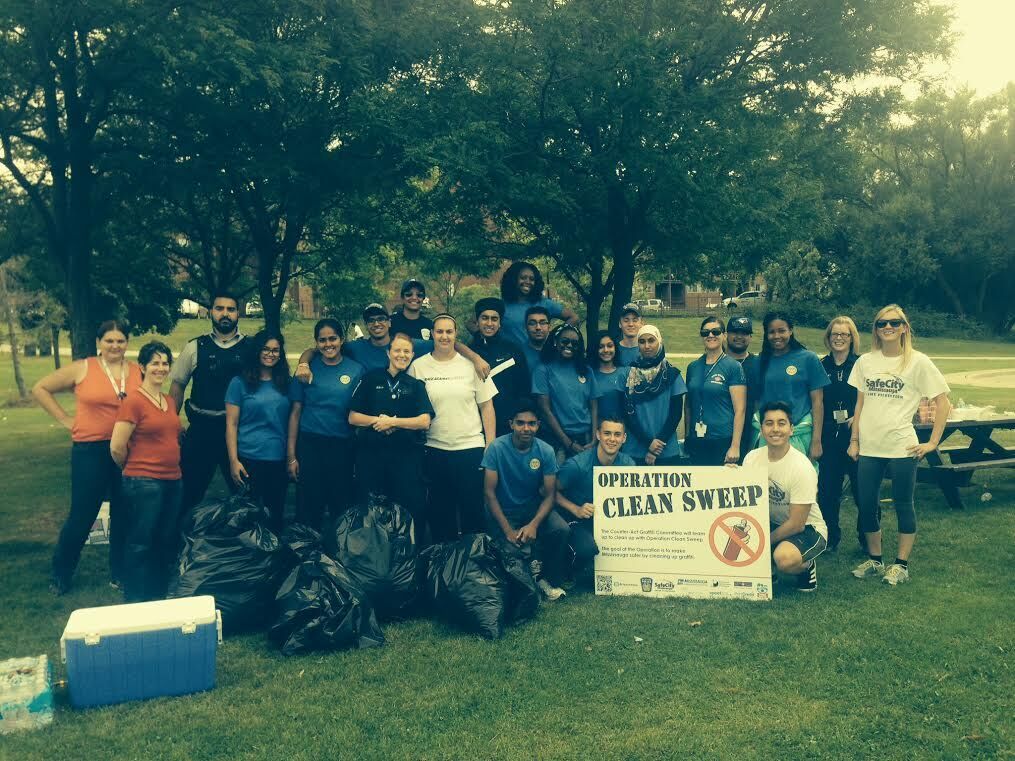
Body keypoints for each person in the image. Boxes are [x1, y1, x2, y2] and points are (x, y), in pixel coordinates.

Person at [33, 320, 142, 594]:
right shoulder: (84, 368)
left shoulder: (136, 371)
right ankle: (61, 573)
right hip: (90, 450)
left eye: (120, 341)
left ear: (127, 343)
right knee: (83, 514)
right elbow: (41, 388)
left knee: (124, 512)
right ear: (98, 343)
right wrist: (64, 419)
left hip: (127, 449)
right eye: (109, 341)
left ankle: (120, 573)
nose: (115, 346)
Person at [848, 305, 950, 586]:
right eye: (881, 323)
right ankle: (876, 559)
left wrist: (932, 442)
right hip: (869, 447)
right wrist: (854, 440)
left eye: (894, 322)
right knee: (867, 505)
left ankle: (901, 565)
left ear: (904, 327)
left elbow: (943, 402)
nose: (888, 327)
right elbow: (859, 404)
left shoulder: (918, 362)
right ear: (876, 329)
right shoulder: (865, 362)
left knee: (903, 504)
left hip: (902, 447)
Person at [410, 314, 498, 542]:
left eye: (449, 331)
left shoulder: (472, 365)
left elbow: (487, 406)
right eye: (439, 331)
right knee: (440, 512)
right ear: (432, 334)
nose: (444, 336)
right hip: (434, 448)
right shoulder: (418, 367)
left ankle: (474, 559)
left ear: (456, 334)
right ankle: (444, 560)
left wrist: (490, 444)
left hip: (470, 448)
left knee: (473, 510)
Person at [109, 342, 182, 603]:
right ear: (142, 366)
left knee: (164, 539)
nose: (161, 368)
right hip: (144, 482)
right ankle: (136, 599)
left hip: (173, 480)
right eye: (155, 363)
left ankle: (157, 595)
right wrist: (134, 470)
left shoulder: (169, 401)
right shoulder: (133, 402)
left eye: (165, 363)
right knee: (140, 542)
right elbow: (116, 446)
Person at [482, 399, 568, 600]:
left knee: (561, 529)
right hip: (503, 511)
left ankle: (548, 581)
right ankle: (526, 587)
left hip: (532, 508)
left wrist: (534, 525)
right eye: (520, 423)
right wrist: (508, 531)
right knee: (511, 550)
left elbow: (550, 495)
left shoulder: (546, 450)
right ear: (511, 424)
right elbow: (489, 494)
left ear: (538, 425)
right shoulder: (496, 448)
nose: (526, 428)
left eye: (531, 423)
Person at [169, 293, 248, 512]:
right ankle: (180, 533)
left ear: (238, 313)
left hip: (239, 433)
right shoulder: (194, 347)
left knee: (245, 495)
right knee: (187, 494)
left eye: (231, 309)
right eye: (219, 308)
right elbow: (177, 386)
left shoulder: (250, 348)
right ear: (211, 312)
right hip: (201, 431)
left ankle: (248, 534)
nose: (225, 314)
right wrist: (171, 424)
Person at [286, 319, 365, 530]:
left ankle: (339, 549)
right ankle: (307, 547)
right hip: (310, 445)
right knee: (309, 507)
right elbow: (295, 413)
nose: (328, 344)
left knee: (341, 506)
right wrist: (291, 456)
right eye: (322, 340)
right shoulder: (305, 370)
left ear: (342, 339)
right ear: (316, 342)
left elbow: (361, 413)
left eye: (333, 338)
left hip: (342, 447)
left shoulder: (356, 370)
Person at [348, 333, 434, 526]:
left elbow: (424, 421)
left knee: (409, 512)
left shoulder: (416, 385)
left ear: (412, 355)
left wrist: (394, 423)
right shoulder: (371, 379)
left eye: (406, 351)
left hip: (406, 459)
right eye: (397, 350)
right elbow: (353, 417)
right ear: (388, 353)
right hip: (372, 458)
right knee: (371, 514)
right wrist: (379, 421)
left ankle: (409, 546)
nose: (401, 355)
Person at [743, 402, 828, 592]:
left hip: (808, 528)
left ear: (791, 429)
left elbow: (797, 524)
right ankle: (768, 568)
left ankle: (806, 567)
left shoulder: (801, 467)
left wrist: (762, 543)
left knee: (784, 559)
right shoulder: (751, 458)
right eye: (769, 423)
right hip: (772, 523)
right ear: (761, 429)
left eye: (781, 423)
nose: (775, 429)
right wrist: (730, 474)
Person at [296, 303, 489, 378]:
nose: (376, 324)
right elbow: (318, 349)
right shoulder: (356, 348)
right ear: (366, 325)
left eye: (381, 319)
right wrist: (303, 364)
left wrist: (476, 359)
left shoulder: (405, 345)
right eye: (371, 320)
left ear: (389, 322)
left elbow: (448, 342)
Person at [225, 330, 292, 532]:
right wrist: (233, 461)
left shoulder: (287, 384)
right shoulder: (239, 383)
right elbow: (231, 424)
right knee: (247, 520)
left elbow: (293, 421)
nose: (270, 354)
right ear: (256, 351)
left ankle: (273, 551)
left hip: (278, 460)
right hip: (248, 459)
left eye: (275, 350)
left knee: (275, 517)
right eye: (265, 349)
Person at [556, 417, 635, 587]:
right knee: (587, 549)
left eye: (617, 434)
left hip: (608, 522)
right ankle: (567, 570)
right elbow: (547, 491)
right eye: (607, 433)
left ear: (624, 438)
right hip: (577, 520)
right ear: (598, 435)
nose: (612, 439)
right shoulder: (577, 465)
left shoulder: (628, 464)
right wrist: (575, 509)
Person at [755, 312, 828, 460]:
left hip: (800, 433)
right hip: (768, 435)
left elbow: (818, 402)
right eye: (771, 332)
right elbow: (757, 400)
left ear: (791, 330)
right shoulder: (760, 361)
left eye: (782, 331)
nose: (777, 336)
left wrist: (816, 440)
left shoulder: (808, 358)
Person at [817, 316, 862, 550]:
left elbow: (872, 398)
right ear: (828, 337)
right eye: (835, 334)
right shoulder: (821, 365)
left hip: (856, 434)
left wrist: (858, 418)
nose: (839, 338)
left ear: (852, 338)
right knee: (828, 491)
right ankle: (830, 538)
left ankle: (868, 539)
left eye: (844, 334)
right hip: (828, 435)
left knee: (862, 490)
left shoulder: (861, 365)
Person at [684, 316, 747, 465]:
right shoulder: (693, 367)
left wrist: (735, 446)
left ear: (724, 335)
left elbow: (740, 410)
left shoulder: (733, 366)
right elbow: (688, 405)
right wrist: (687, 435)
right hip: (697, 439)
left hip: (722, 440)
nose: (710, 335)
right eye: (705, 332)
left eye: (716, 331)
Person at [622, 325, 687, 465]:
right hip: (635, 449)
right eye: (642, 341)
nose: (647, 346)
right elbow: (626, 414)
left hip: (666, 449)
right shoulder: (628, 374)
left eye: (651, 340)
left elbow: (675, 414)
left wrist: (656, 446)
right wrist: (648, 443)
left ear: (659, 342)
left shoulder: (672, 374)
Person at [533, 325, 599, 461]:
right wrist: (568, 443)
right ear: (555, 341)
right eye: (565, 341)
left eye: (575, 343)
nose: (569, 345)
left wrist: (594, 438)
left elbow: (594, 406)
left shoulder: (586, 370)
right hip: (557, 439)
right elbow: (545, 410)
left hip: (586, 438)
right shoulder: (543, 369)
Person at [468, 297, 531, 436]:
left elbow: (524, 390)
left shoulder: (513, 350)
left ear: (500, 323)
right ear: (477, 321)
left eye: (494, 319)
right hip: (477, 428)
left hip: (509, 427)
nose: (489, 323)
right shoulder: (469, 352)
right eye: (484, 318)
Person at [500, 261, 579, 347]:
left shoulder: (544, 303)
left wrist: (555, 338)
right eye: (523, 278)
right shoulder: (501, 306)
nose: (528, 281)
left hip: (541, 355)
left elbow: (573, 317)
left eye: (532, 279)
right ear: (513, 279)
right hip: (512, 355)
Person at [725, 316, 761, 459]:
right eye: (735, 332)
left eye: (744, 333)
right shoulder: (715, 362)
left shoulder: (759, 364)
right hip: (718, 434)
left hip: (750, 432)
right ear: (726, 334)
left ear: (750, 336)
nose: (739, 337)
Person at [590, 331, 628, 423]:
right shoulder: (590, 375)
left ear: (615, 348)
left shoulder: (625, 372)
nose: (606, 350)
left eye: (610, 346)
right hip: (598, 427)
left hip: (621, 428)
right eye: (601, 347)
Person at [521, 305, 553, 374]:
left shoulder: (558, 350)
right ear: (525, 327)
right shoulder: (519, 354)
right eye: (532, 323)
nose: (538, 327)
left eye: (543, 323)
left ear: (549, 326)